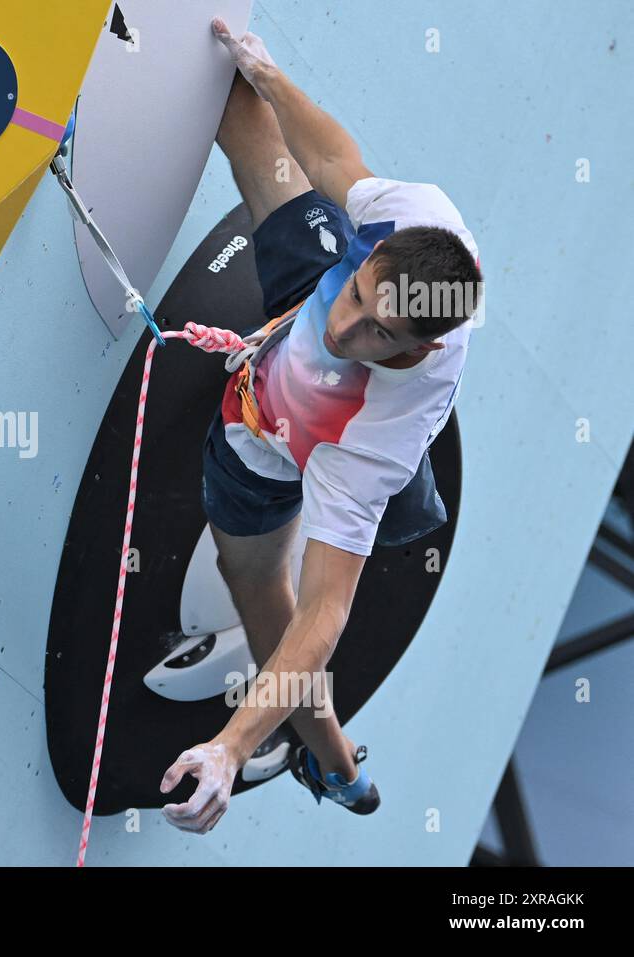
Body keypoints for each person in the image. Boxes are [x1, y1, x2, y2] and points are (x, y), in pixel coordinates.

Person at [159, 18, 483, 835]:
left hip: (296, 437)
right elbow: (334, 159)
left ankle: (329, 758)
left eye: (382, 334)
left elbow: (322, 615)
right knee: (242, 118)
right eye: (362, 299)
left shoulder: (374, 440)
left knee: (257, 584)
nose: (349, 330)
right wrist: (265, 72)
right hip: (304, 295)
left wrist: (229, 748)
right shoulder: (417, 224)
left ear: (427, 343)